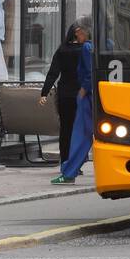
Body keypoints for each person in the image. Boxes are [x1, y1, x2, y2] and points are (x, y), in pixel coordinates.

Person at [52, 17, 93, 184]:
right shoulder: (106, 44)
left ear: (82, 31)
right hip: (102, 93)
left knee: (81, 134)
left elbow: (89, 72)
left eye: (79, 32)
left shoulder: (86, 47)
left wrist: (83, 91)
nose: (78, 36)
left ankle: (69, 172)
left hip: (86, 95)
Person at [39, 23, 85, 163]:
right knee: (79, 129)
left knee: (65, 129)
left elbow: (53, 73)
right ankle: (77, 161)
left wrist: (44, 93)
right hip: (81, 94)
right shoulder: (85, 50)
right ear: (78, 32)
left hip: (64, 94)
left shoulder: (62, 50)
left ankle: (65, 160)